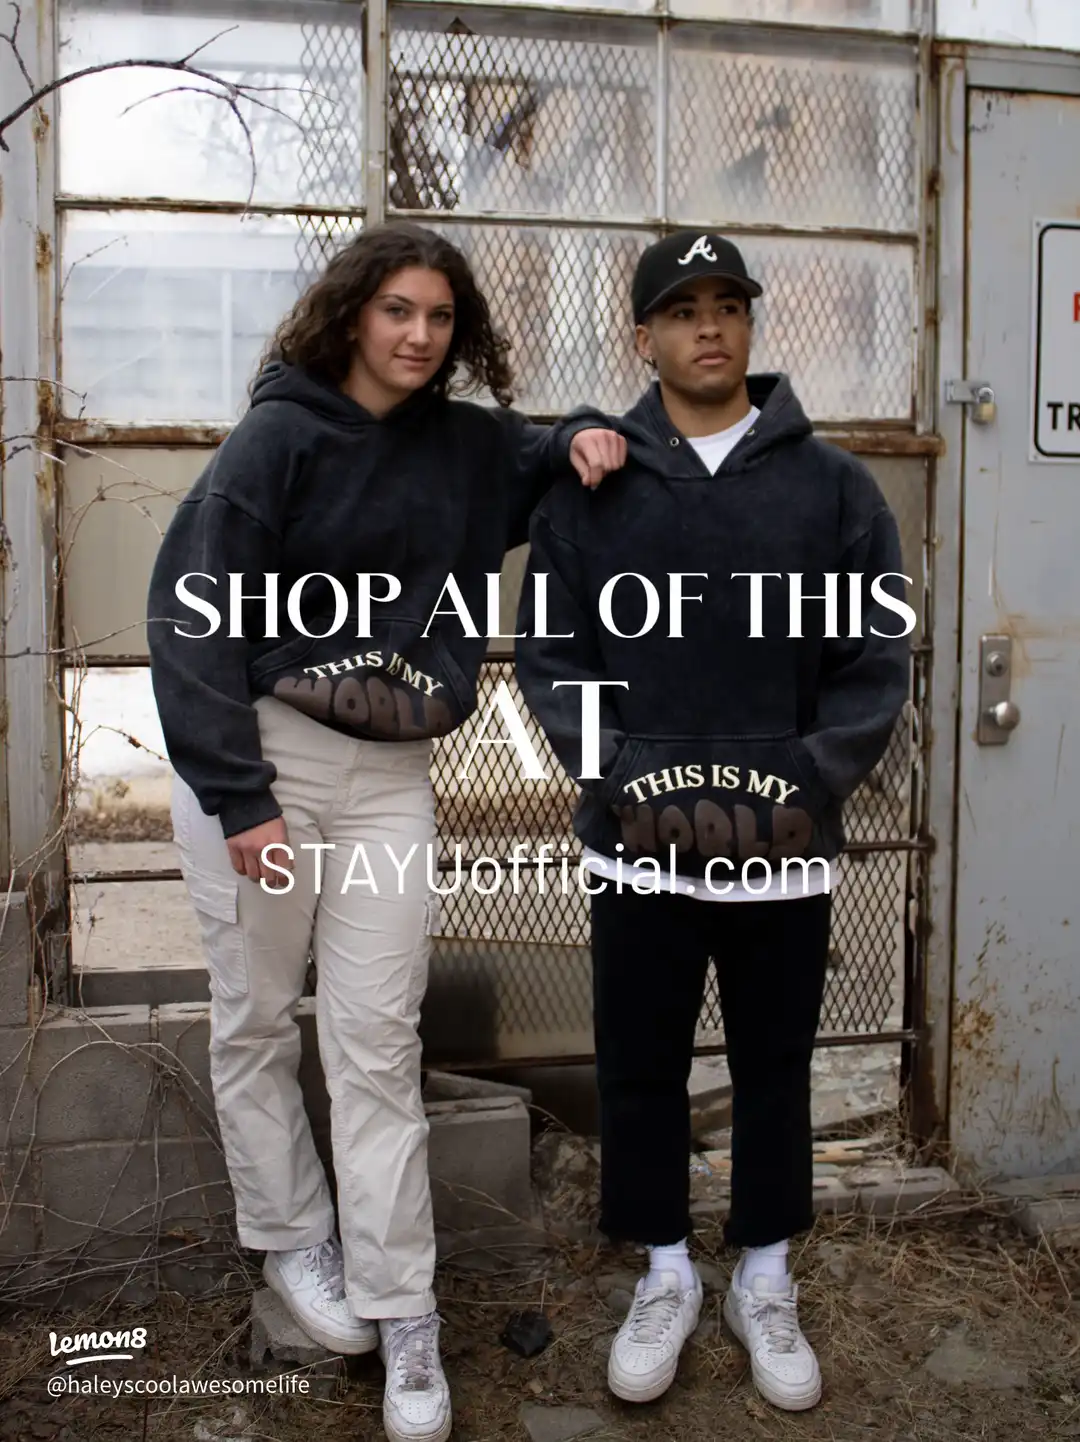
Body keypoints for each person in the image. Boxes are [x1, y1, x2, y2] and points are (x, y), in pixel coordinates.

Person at [146, 220, 624, 1442]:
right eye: (397, 310)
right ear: (352, 313)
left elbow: (548, 444)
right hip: (266, 754)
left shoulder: (463, 444)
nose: (419, 335)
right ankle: (291, 1233)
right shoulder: (278, 437)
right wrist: (239, 795)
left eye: (440, 316)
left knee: (375, 1033)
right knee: (258, 1015)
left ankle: (404, 1303)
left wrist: (585, 433)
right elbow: (191, 614)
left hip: (394, 773)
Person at [515, 231, 910, 1412]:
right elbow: (554, 659)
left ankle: (765, 1275)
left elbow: (872, 661)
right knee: (638, 1063)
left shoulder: (834, 489)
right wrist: (628, 781)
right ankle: (668, 1271)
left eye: (728, 305)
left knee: (773, 1065)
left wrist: (801, 784)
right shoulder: (594, 488)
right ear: (643, 337)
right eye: (683, 309)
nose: (708, 326)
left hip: (779, 853)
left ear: (749, 325)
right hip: (640, 848)